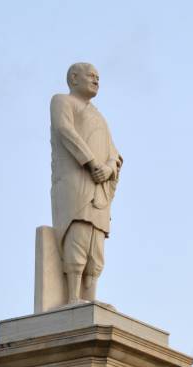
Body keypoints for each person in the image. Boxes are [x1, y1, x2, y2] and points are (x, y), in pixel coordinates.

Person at [50, 63, 122, 303]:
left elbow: (114, 153)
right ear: (73, 78)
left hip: (99, 187)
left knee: (96, 245)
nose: (96, 81)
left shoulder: (99, 116)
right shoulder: (62, 101)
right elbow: (65, 131)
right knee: (78, 234)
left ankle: (90, 298)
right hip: (76, 182)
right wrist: (91, 163)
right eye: (91, 76)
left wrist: (109, 167)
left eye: (98, 77)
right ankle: (72, 297)